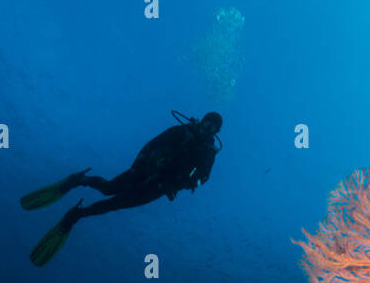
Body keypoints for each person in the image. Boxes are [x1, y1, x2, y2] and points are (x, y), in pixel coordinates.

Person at [22, 111, 223, 266]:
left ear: (216, 132)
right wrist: (138, 164)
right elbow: (151, 145)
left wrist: (187, 184)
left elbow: (203, 177)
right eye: (207, 123)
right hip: (143, 171)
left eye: (213, 128)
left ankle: (76, 215)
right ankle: (79, 180)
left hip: (160, 187)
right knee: (109, 189)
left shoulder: (208, 153)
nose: (207, 129)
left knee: (116, 204)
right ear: (201, 121)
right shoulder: (181, 132)